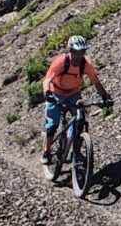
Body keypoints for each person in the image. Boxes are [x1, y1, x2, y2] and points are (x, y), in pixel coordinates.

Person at [42, 34, 113, 175]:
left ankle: (76, 150)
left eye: (82, 52)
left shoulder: (85, 64)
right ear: (70, 50)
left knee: (80, 120)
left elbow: (95, 81)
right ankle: (46, 152)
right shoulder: (60, 62)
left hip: (74, 93)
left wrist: (105, 96)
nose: (79, 55)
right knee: (52, 126)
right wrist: (47, 93)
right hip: (56, 93)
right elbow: (47, 80)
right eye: (76, 52)